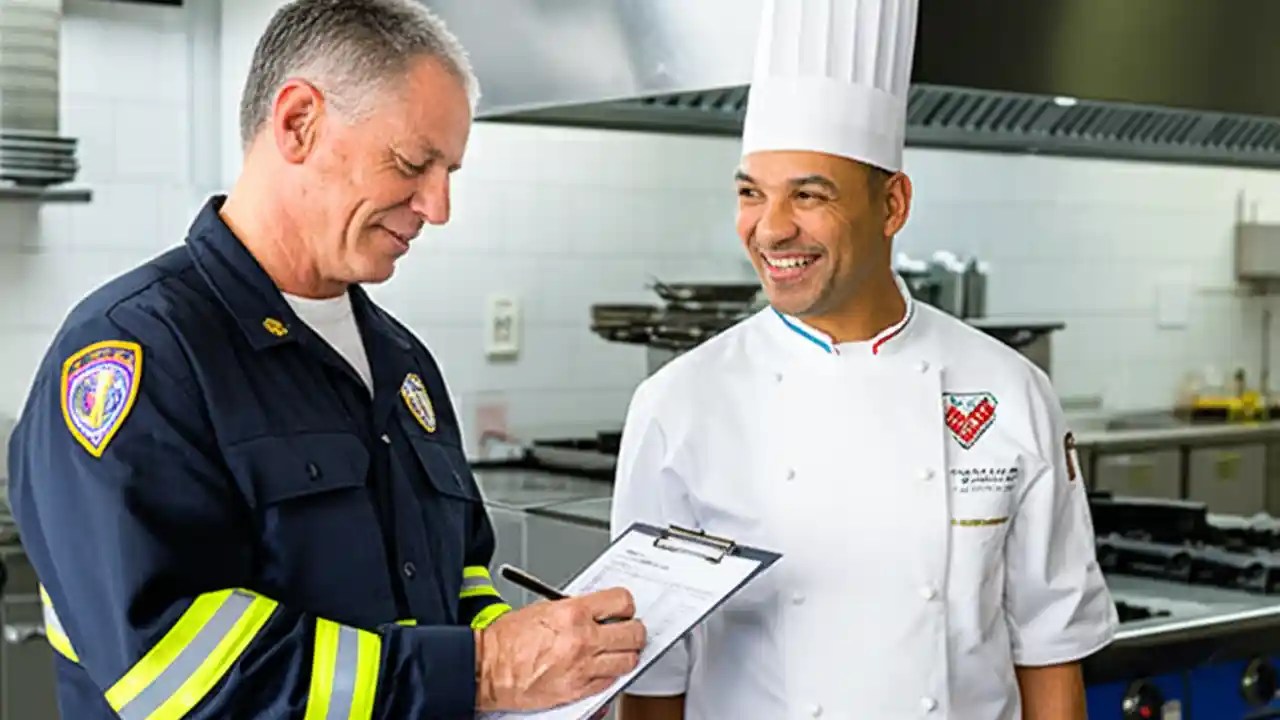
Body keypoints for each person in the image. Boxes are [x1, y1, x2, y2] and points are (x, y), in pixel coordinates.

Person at [8, 1, 644, 718]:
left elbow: (458, 578)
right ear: (298, 123)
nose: (438, 207)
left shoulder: (402, 363)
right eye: (413, 163)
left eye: (449, 171)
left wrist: (538, 663)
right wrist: (483, 671)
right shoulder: (140, 354)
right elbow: (175, 674)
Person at [610, 1, 1118, 718]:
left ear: (893, 204)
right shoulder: (679, 404)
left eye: (808, 195)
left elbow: (1049, 647)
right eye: (751, 193)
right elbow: (655, 679)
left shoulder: (1010, 390)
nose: (771, 229)